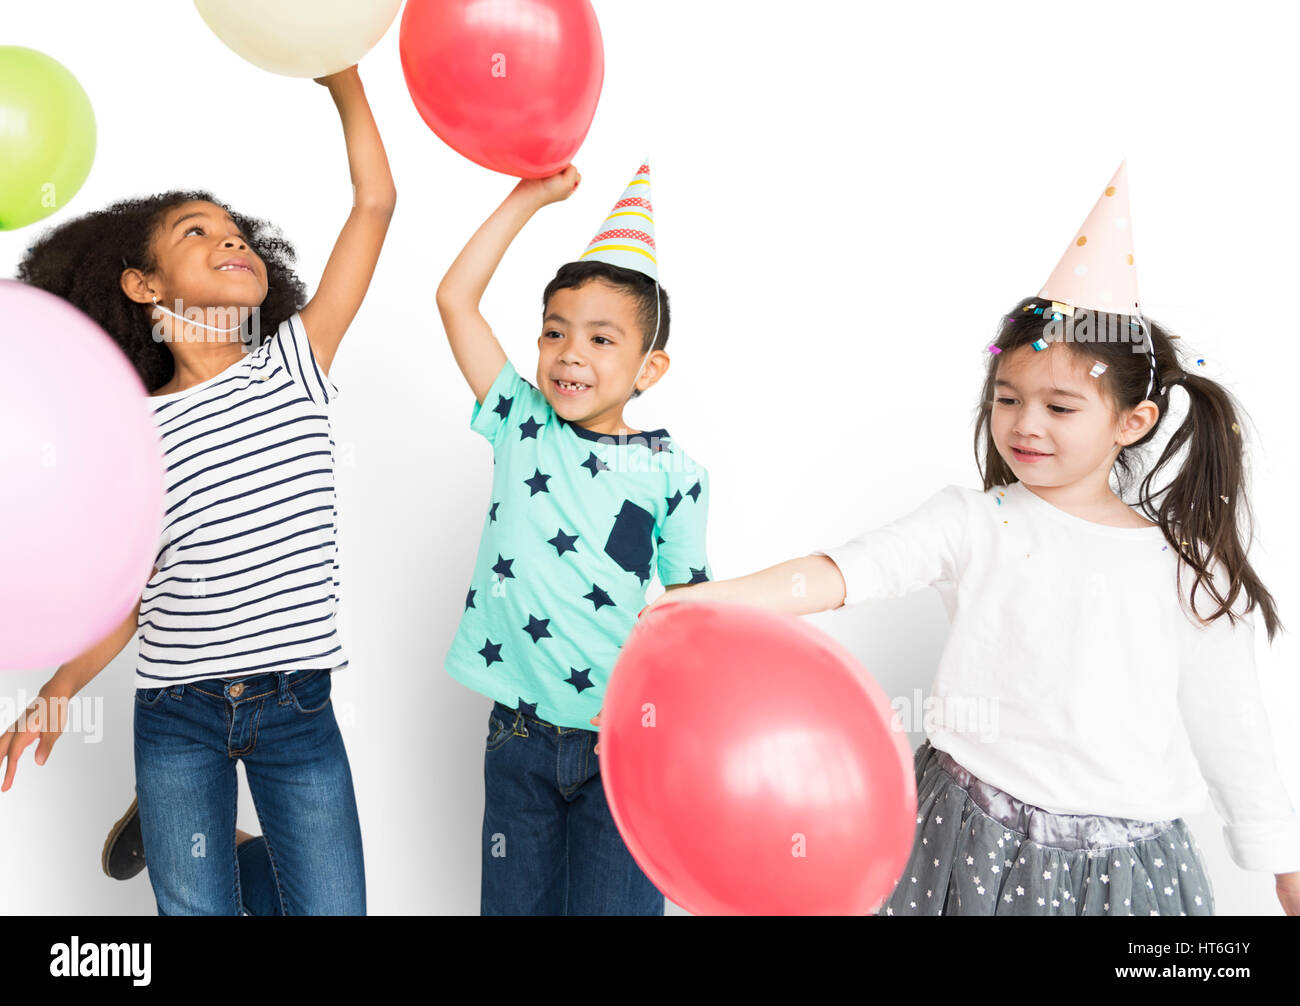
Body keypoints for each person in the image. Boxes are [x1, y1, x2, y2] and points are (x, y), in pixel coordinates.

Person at [643, 162, 1300, 916]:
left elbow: (1231, 723)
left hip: (1121, 876)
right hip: (964, 836)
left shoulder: (1186, 568)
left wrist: (1280, 860)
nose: (1025, 424)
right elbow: (851, 571)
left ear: (1132, 422)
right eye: (1009, 399)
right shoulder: (974, 519)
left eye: (1060, 406)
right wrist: (711, 602)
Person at [0, 66, 395, 916]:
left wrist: (345, 82)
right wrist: (58, 691)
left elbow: (373, 207)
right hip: (177, 714)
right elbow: (132, 593)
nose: (233, 241)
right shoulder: (125, 428)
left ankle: (247, 847)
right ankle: (204, 829)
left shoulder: (294, 364)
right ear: (144, 288)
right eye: (197, 233)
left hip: (296, 707)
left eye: (239, 233)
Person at [436, 160, 711, 915]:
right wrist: (529, 197)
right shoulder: (521, 423)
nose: (570, 353)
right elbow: (455, 299)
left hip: (625, 741)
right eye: (555, 331)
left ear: (648, 367)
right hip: (518, 732)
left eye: (599, 338)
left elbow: (693, 613)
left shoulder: (675, 474)